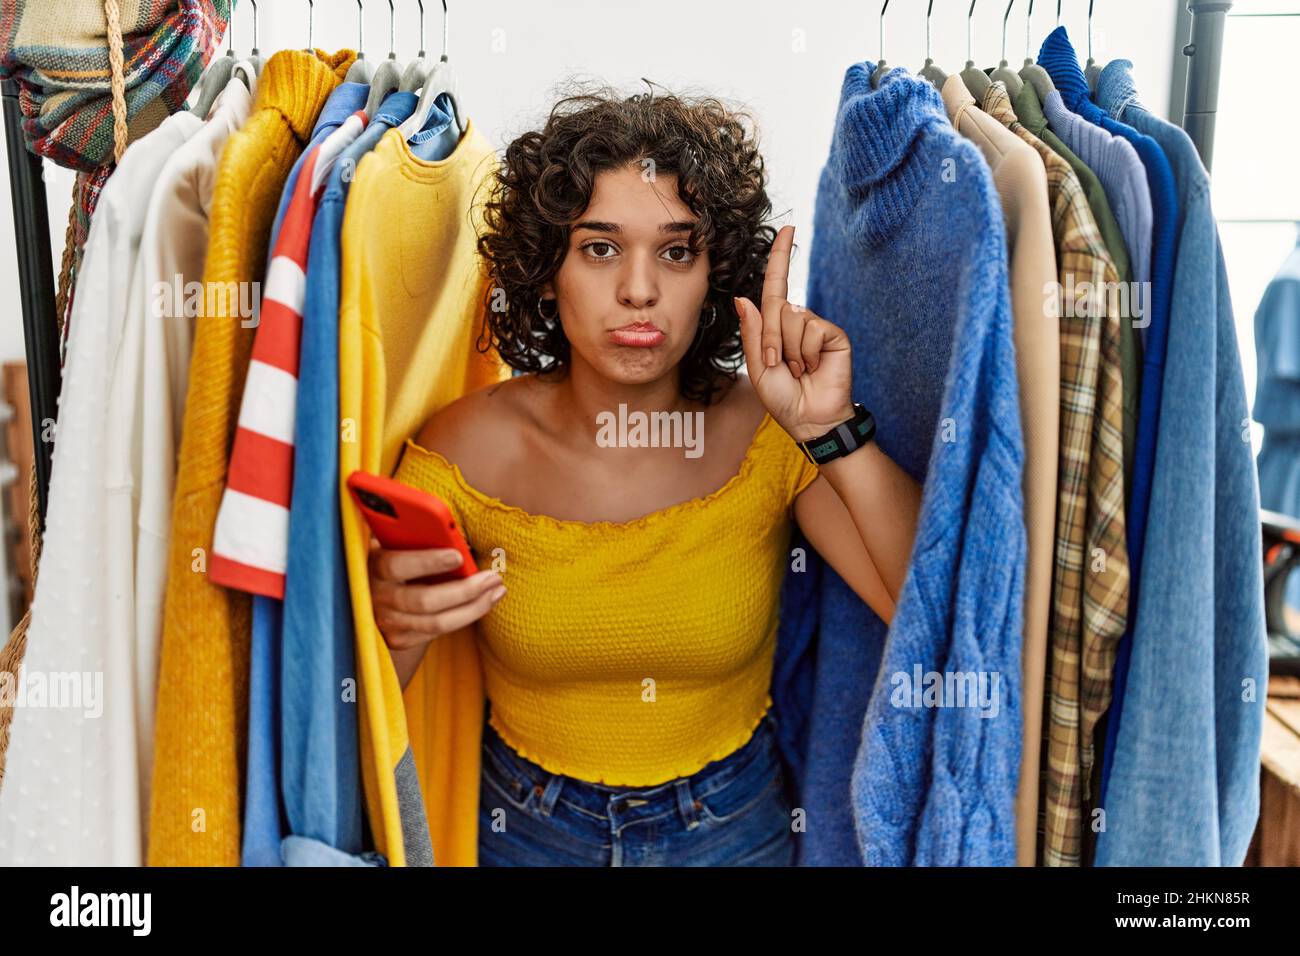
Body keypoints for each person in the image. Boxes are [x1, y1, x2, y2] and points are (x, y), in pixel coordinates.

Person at [367, 84, 922, 866]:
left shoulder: (767, 434)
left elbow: (927, 604)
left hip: (732, 828)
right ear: (546, 269)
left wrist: (833, 432)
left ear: (716, 273)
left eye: (676, 249)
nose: (639, 289)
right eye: (600, 248)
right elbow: (357, 712)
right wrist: (392, 633)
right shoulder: (463, 452)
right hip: (524, 831)